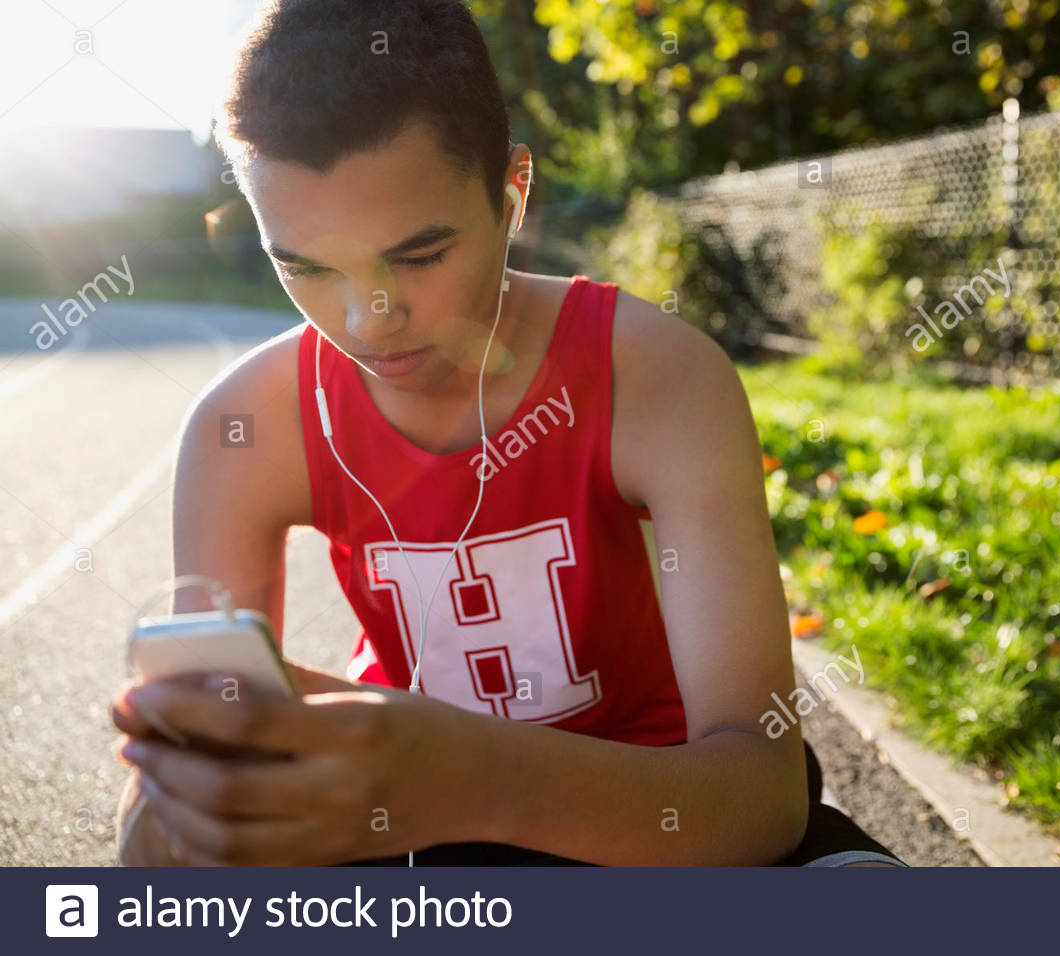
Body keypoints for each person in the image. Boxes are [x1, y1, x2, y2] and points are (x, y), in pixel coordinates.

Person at [109, 0, 906, 869]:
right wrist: (184, 804)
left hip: (662, 813)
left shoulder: (657, 376)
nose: (369, 319)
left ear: (512, 192)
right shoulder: (247, 424)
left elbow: (762, 795)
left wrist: (473, 774)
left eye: (417, 256)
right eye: (303, 266)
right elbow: (163, 822)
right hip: (404, 826)